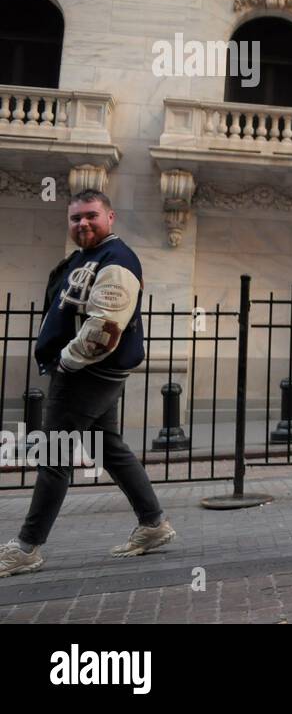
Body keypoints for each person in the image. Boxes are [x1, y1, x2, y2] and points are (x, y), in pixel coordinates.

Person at [0, 190, 175, 579]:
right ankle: (153, 524)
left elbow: (104, 328)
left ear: (110, 217)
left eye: (91, 216)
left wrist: (66, 362)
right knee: (109, 447)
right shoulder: (85, 259)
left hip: (86, 373)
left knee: (54, 457)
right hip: (92, 372)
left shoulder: (117, 260)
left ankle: (26, 548)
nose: (83, 223)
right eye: (76, 218)